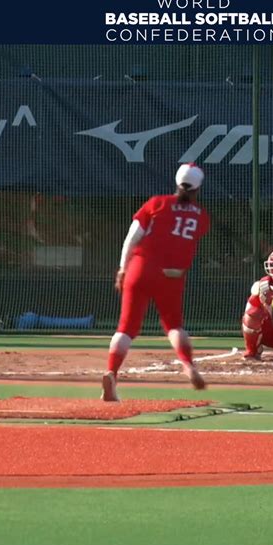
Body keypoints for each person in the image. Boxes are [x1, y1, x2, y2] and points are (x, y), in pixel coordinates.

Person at [102, 164, 210, 401]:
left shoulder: (156, 203)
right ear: (198, 189)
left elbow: (132, 238)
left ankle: (111, 372)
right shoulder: (201, 216)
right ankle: (188, 364)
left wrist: (122, 268)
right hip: (172, 274)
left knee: (127, 327)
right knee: (173, 325)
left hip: (141, 267)